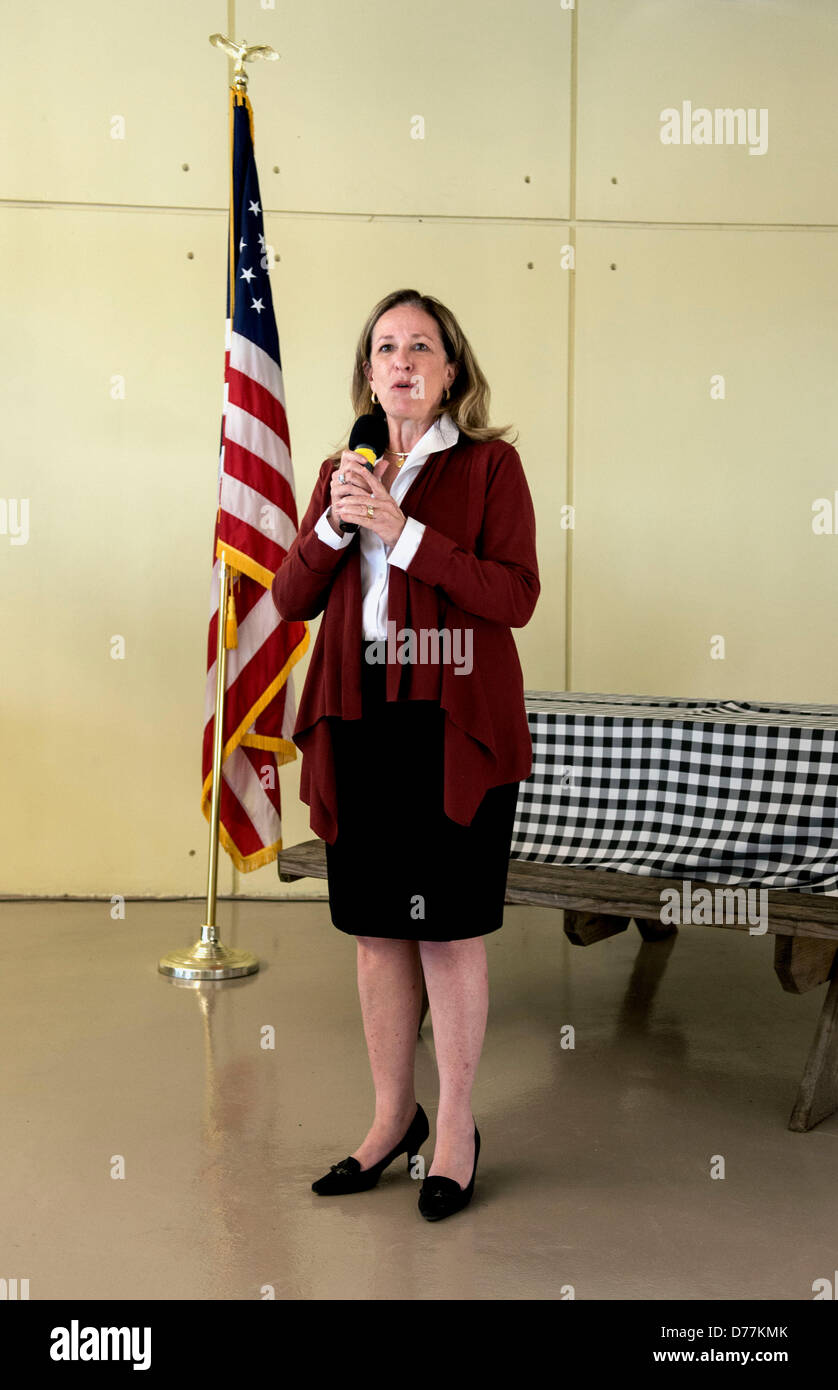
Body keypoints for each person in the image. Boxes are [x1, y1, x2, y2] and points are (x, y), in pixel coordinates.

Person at [271, 288, 539, 1220]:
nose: (402, 361)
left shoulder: (491, 468)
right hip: (360, 713)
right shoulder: (344, 471)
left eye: (421, 346)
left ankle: (457, 1130)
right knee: (378, 930)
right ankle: (393, 1120)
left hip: (451, 716)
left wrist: (404, 531)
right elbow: (293, 596)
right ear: (369, 372)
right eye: (385, 347)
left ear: (450, 370)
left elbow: (513, 596)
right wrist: (341, 522)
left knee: (447, 930)